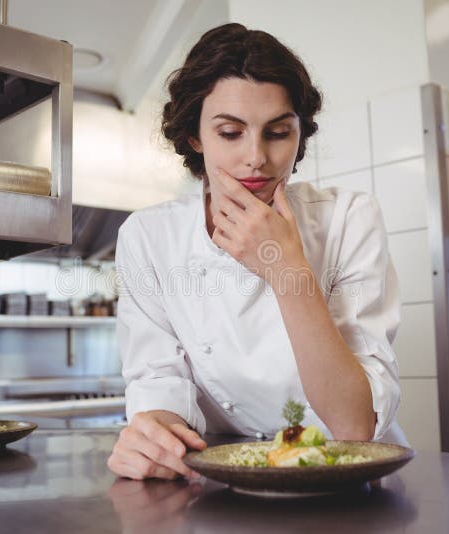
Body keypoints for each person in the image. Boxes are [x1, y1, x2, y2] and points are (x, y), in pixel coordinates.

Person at [107, 23, 405, 481]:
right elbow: (158, 382)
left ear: (299, 135)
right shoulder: (147, 237)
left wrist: (286, 269)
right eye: (230, 132)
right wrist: (154, 436)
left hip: (344, 481)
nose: (256, 158)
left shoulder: (349, 220)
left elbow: (354, 425)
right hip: (221, 479)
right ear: (195, 136)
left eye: (278, 132)